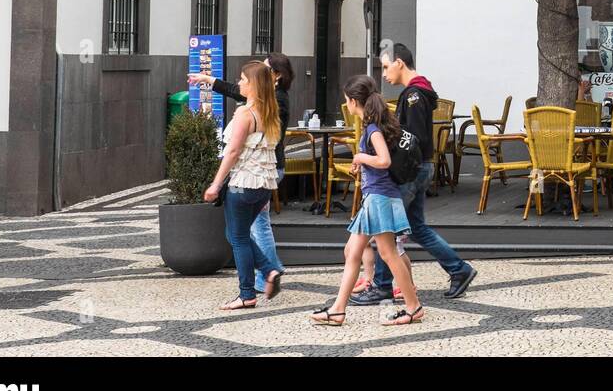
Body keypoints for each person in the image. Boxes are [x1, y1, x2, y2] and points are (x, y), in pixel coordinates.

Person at [350, 43, 476, 306]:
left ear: (399, 63)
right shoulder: (419, 91)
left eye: (386, 67)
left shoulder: (413, 96)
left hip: (412, 171)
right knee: (415, 227)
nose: (384, 74)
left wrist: (391, 160)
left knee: (387, 228)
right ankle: (458, 269)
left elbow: (412, 139)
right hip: (420, 168)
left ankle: (383, 286)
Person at [311, 74, 423, 326]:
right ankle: (338, 309)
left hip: (380, 198)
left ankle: (413, 306)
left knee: (388, 253)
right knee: (352, 251)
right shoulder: (376, 125)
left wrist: (360, 158)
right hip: (377, 197)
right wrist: (360, 161)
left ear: (352, 102)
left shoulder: (372, 128)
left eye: (346, 100)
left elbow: (384, 161)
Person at [191, 52, 293, 295]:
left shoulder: (250, 112)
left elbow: (234, 150)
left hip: (246, 180)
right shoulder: (270, 108)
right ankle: (268, 270)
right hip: (264, 181)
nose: (241, 83)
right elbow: (238, 91)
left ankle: (252, 287)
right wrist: (209, 79)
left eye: (244, 79)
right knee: (241, 232)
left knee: (244, 235)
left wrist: (216, 184)